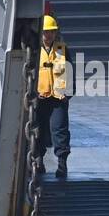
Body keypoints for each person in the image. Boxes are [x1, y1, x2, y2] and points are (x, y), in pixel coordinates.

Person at [36, 15, 72, 178]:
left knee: (60, 131)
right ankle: (38, 161)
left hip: (58, 100)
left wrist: (68, 95)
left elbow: (71, 73)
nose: (48, 35)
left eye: (51, 32)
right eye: (45, 32)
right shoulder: (35, 52)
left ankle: (62, 164)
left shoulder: (62, 50)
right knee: (39, 131)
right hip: (40, 99)